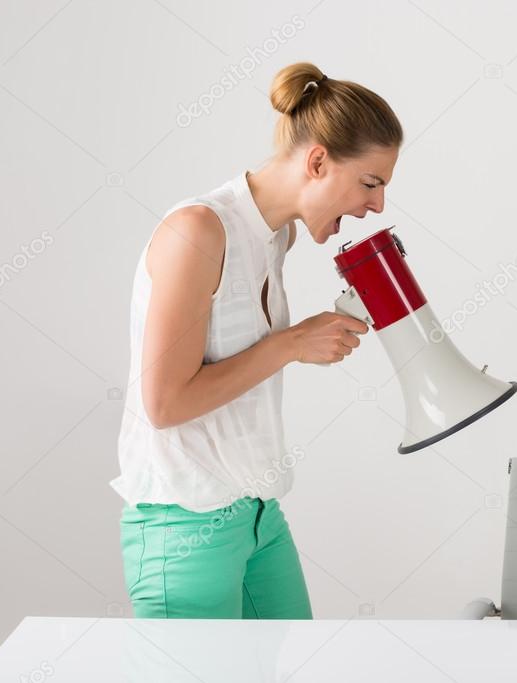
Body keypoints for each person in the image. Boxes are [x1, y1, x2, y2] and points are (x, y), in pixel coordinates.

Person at [112, 62, 402, 618]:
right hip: (184, 521)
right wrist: (291, 344)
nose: (377, 206)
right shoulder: (198, 230)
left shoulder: (277, 236)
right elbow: (164, 403)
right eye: (370, 182)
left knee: (295, 658)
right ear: (317, 162)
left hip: (258, 515)